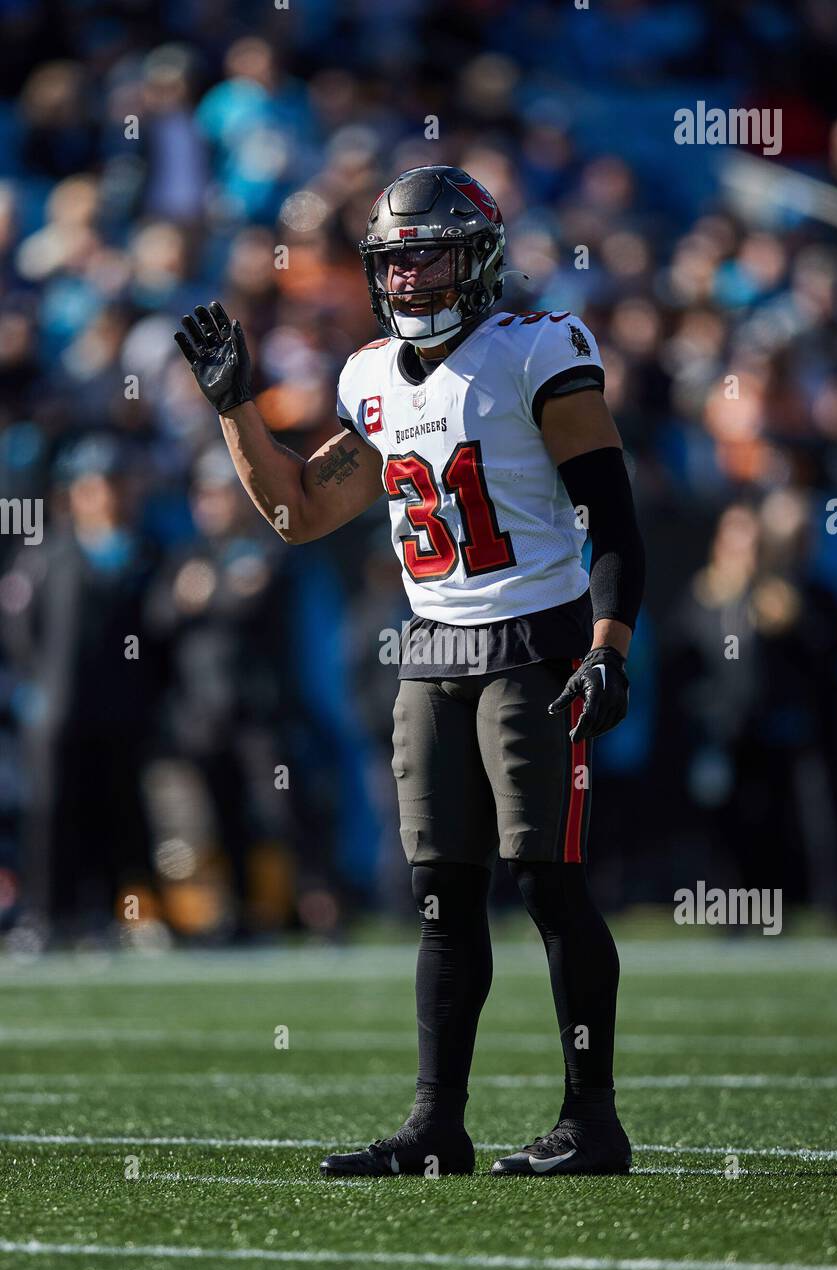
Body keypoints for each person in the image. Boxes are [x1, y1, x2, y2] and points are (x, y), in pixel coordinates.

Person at [174, 165, 645, 1177]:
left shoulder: (534, 351)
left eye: (428, 253)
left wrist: (607, 644)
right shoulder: (368, 376)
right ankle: (437, 1123)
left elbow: (611, 514)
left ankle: (590, 1119)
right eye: (394, 259)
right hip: (432, 649)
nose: (410, 276)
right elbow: (298, 511)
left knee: (547, 882)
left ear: (476, 257)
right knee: (439, 892)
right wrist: (234, 409)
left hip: (535, 638)